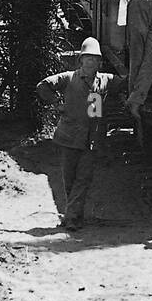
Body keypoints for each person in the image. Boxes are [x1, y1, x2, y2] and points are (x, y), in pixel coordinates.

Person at [35, 37, 120, 232]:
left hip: (92, 139)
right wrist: (56, 104)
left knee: (83, 179)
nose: (91, 62)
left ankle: (71, 218)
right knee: (70, 179)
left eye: (95, 59)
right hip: (69, 137)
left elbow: (126, 83)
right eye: (87, 58)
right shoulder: (68, 78)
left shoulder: (105, 80)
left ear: (100, 62)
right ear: (81, 60)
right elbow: (42, 86)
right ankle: (75, 215)